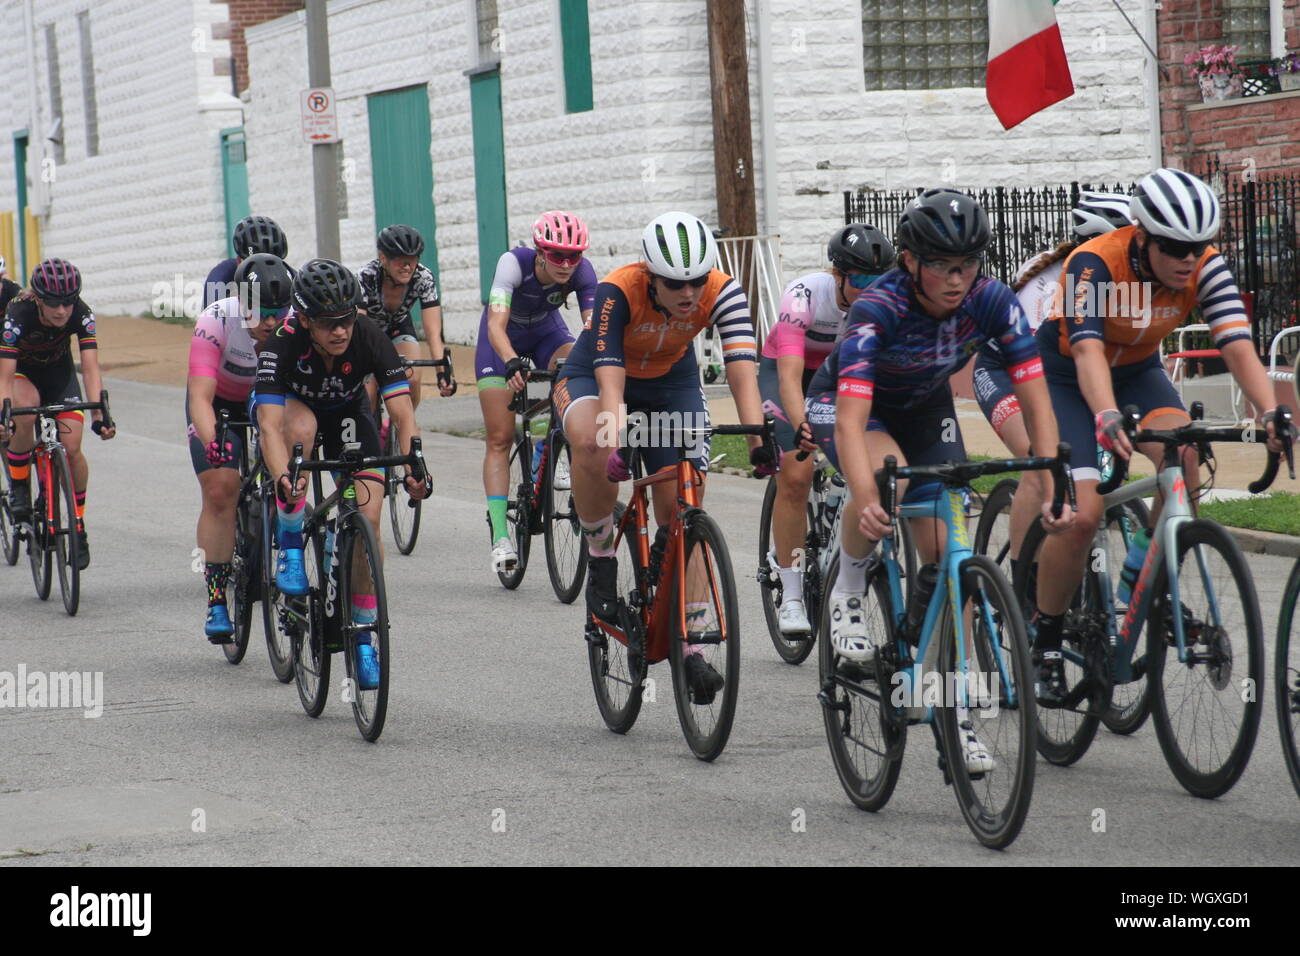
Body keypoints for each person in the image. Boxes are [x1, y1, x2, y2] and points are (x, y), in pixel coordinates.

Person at [804, 188, 1074, 775]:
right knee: (887, 483)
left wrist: (1051, 470)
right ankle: (847, 587)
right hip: (853, 407)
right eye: (942, 267)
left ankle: (956, 716)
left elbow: (1035, 397)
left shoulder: (991, 299)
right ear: (909, 261)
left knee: (952, 566)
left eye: (967, 265)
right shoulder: (879, 308)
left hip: (925, 410)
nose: (957, 280)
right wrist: (866, 497)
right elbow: (849, 422)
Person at [1030, 167, 1288, 706]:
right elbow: (1086, 349)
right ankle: (1045, 639)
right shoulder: (1094, 262)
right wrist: (1105, 415)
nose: (1187, 259)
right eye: (1173, 246)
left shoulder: (1207, 266)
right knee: (1082, 516)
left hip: (1138, 372)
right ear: (1143, 236)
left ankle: (1141, 583)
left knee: (1184, 457)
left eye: (1198, 246)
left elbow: (1237, 344)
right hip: (1067, 377)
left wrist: (1270, 412)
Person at [554, 210, 771, 703]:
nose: (689, 293)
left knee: (684, 506)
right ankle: (601, 555)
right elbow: (610, 377)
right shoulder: (617, 290)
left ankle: (692, 644)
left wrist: (758, 440)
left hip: (672, 384)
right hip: (595, 376)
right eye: (675, 283)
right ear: (651, 275)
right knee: (592, 442)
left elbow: (741, 368)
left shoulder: (724, 291)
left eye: (697, 280)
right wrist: (615, 436)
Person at [254, 259, 429, 688]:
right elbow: (269, 428)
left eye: (346, 319)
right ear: (305, 320)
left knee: (368, 518)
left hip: (348, 411)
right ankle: (290, 540)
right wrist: (282, 477)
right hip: (294, 409)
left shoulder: (368, 335)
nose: (340, 331)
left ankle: (365, 636)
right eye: (328, 323)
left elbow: (402, 412)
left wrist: (414, 463)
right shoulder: (281, 343)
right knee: (301, 429)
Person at [972, 191, 1132, 578]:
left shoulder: (1123, 280)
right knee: (1041, 460)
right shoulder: (1047, 286)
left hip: (1064, 375)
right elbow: (1031, 369)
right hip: (1005, 373)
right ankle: (1022, 583)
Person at [760, 223, 894, 636]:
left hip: (839, 377)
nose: (870, 291)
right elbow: (789, 376)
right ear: (837, 275)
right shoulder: (804, 295)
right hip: (789, 373)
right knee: (796, 475)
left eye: (878, 281)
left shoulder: (884, 304)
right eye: (860, 281)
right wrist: (802, 425)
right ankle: (792, 595)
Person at [477, 211, 596, 571]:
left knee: (577, 369)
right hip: (502, 339)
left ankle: (551, 445)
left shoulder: (583, 273)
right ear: (540, 252)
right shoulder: (513, 264)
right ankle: (501, 537)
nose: (566, 265)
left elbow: (593, 329)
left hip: (547, 333)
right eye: (558, 256)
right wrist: (511, 361)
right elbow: (496, 325)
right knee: (499, 437)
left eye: (573, 256)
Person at [186, 253, 294, 641]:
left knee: (290, 464)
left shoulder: (296, 322)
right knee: (220, 489)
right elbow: (200, 398)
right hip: (219, 403)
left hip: (270, 398)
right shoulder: (215, 319)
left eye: (278, 313)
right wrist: (212, 442)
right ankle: (217, 599)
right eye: (262, 313)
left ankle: (288, 535)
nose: (271, 323)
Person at [0, 259, 116, 568]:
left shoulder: (82, 312)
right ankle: (20, 486)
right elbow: (5, 376)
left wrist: (99, 415)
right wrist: (4, 414)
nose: (62, 310)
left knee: (72, 447)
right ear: (38, 298)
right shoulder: (18, 311)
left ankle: (78, 523)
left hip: (59, 376)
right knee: (24, 414)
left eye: (68, 301)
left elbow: (90, 368)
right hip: (22, 374)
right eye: (53, 303)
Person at [357, 224, 453, 413]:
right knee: (368, 391)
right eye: (400, 261)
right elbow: (359, 329)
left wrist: (442, 375)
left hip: (398, 326)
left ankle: (402, 425)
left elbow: (433, 334)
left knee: (412, 376)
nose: (408, 267)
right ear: (383, 258)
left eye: (412, 260)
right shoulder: (365, 277)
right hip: (368, 331)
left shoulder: (424, 278)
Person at [204, 215, 287, 308]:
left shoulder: (290, 276)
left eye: (271, 265)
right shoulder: (221, 276)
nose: (265, 273)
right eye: (256, 266)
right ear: (240, 260)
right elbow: (211, 313)